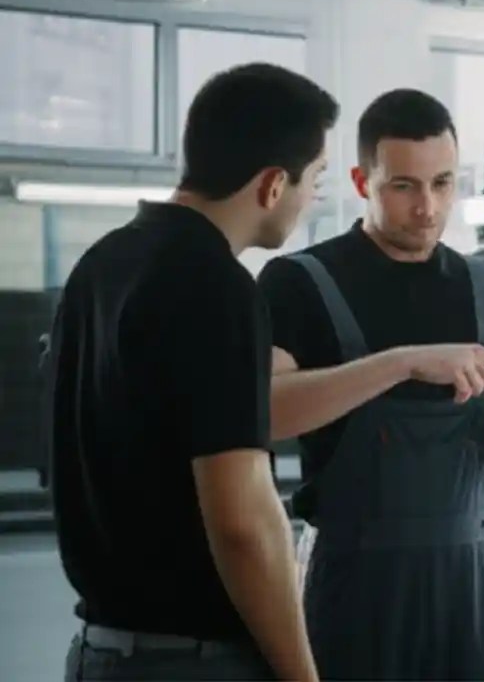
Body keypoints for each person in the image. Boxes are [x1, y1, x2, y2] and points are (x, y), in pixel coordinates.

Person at [256, 88, 484, 681]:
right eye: (404, 187)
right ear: (362, 181)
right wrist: (400, 363)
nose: (427, 207)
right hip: (350, 585)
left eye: (443, 184)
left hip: (466, 587)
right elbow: (262, 415)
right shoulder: (297, 283)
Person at [46, 63, 337, 681]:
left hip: (100, 653)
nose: (314, 198)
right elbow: (241, 522)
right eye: (315, 179)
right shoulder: (216, 286)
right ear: (272, 185)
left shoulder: (101, 266)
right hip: (190, 664)